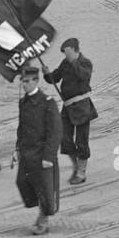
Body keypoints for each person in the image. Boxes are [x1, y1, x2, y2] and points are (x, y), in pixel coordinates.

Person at [14, 63, 62, 235]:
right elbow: (21, 128)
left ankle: (44, 219)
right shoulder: (23, 102)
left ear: (36, 81)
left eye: (27, 81)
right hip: (26, 153)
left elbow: (55, 131)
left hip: (42, 153)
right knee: (22, 182)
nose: (24, 84)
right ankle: (41, 210)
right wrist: (17, 149)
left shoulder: (47, 102)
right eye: (23, 81)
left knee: (44, 188)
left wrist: (49, 156)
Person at [42, 37, 96, 185]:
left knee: (81, 140)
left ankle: (81, 173)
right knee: (64, 138)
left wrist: (74, 62)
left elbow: (83, 76)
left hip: (82, 106)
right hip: (67, 107)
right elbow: (55, 78)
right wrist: (47, 74)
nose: (65, 56)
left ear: (73, 49)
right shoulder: (65, 63)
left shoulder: (85, 63)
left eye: (67, 52)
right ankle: (76, 165)